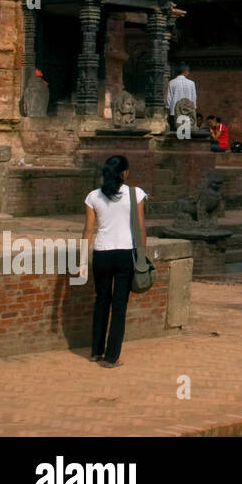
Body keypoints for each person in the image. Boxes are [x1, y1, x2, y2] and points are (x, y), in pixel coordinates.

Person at [81, 155, 147, 368]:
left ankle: (95, 351)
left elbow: (89, 230)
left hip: (102, 252)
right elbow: (141, 228)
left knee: (101, 301)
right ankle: (111, 357)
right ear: (125, 173)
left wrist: (82, 259)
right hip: (125, 253)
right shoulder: (135, 193)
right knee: (119, 305)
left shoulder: (93, 196)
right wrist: (142, 255)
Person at [165, 64, 196, 129]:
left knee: (174, 133)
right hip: (188, 112)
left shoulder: (171, 82)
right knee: (186, 134)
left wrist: (168, 110)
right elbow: (193, 98)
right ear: (185, 71)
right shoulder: (191, 83)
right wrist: (193, 110)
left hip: (174, 112)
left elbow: (169, 99)